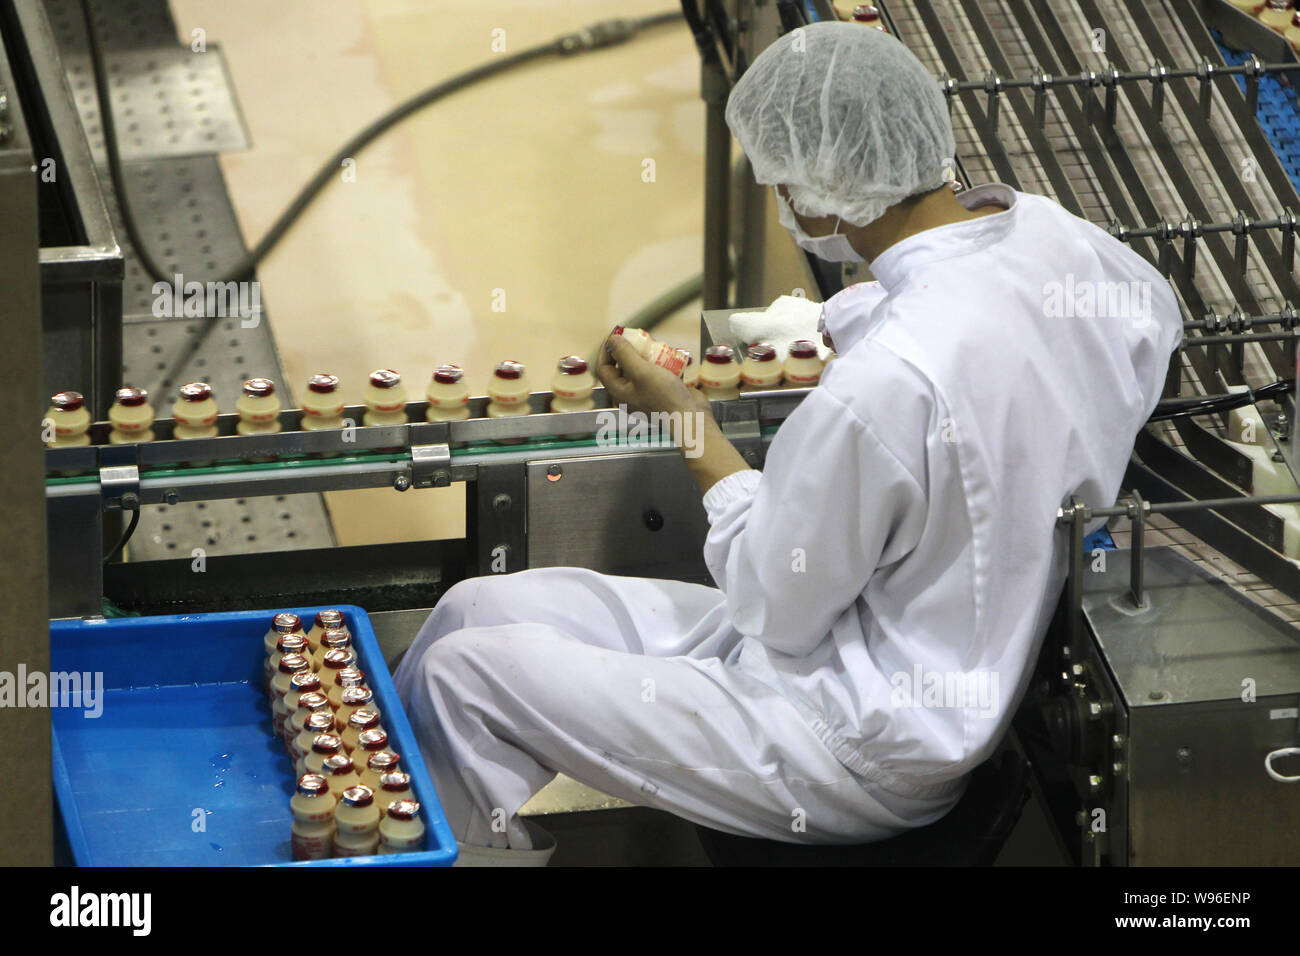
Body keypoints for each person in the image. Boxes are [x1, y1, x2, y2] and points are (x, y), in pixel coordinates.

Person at [394, 21, 1183, 866]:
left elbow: (776, 602)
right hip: (871, 640)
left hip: (856, 739)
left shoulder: (884, 387)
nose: (780, 202)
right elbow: (1147, 325)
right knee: (475, 609)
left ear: (829, 194)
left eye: (782, 183)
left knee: (462, 681)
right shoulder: (1064, 243)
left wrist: (684, 416)